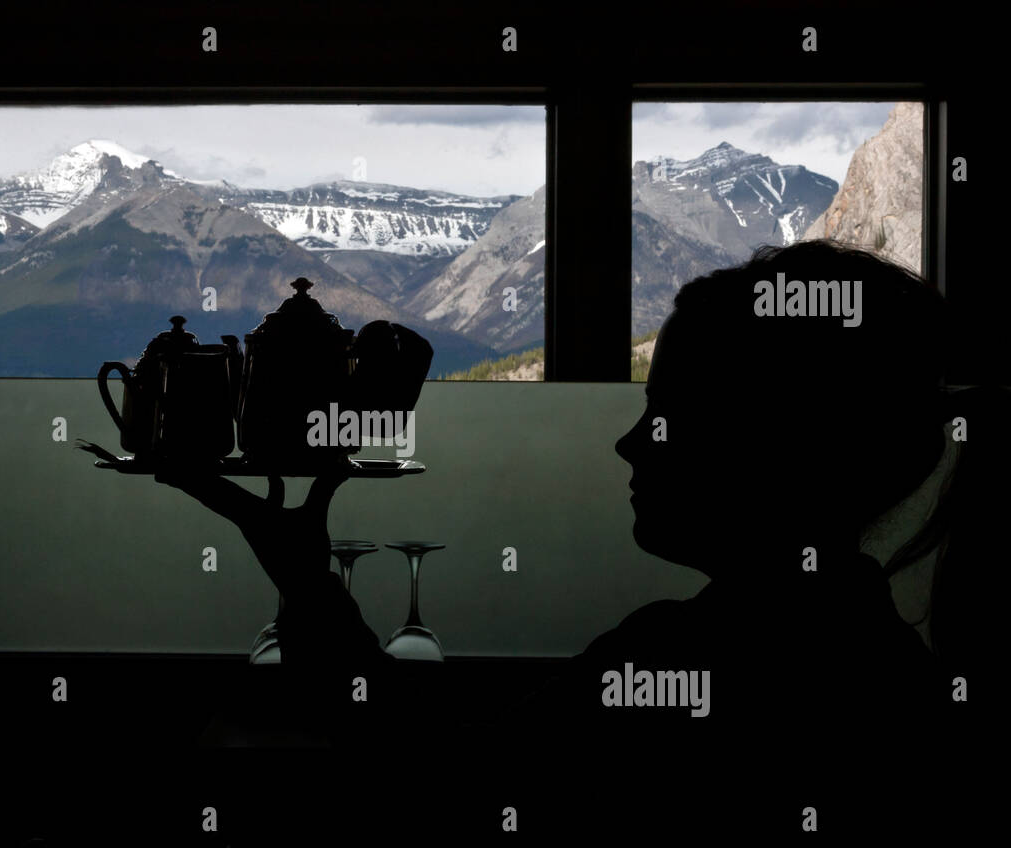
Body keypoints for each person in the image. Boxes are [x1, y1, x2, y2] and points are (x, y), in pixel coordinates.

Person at [156, 241, 1000, 765]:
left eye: (668, 420)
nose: (629, 445)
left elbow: (438, 785)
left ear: (777, 450)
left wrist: (303, 582)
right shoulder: (880, 668)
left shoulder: (689, 656)